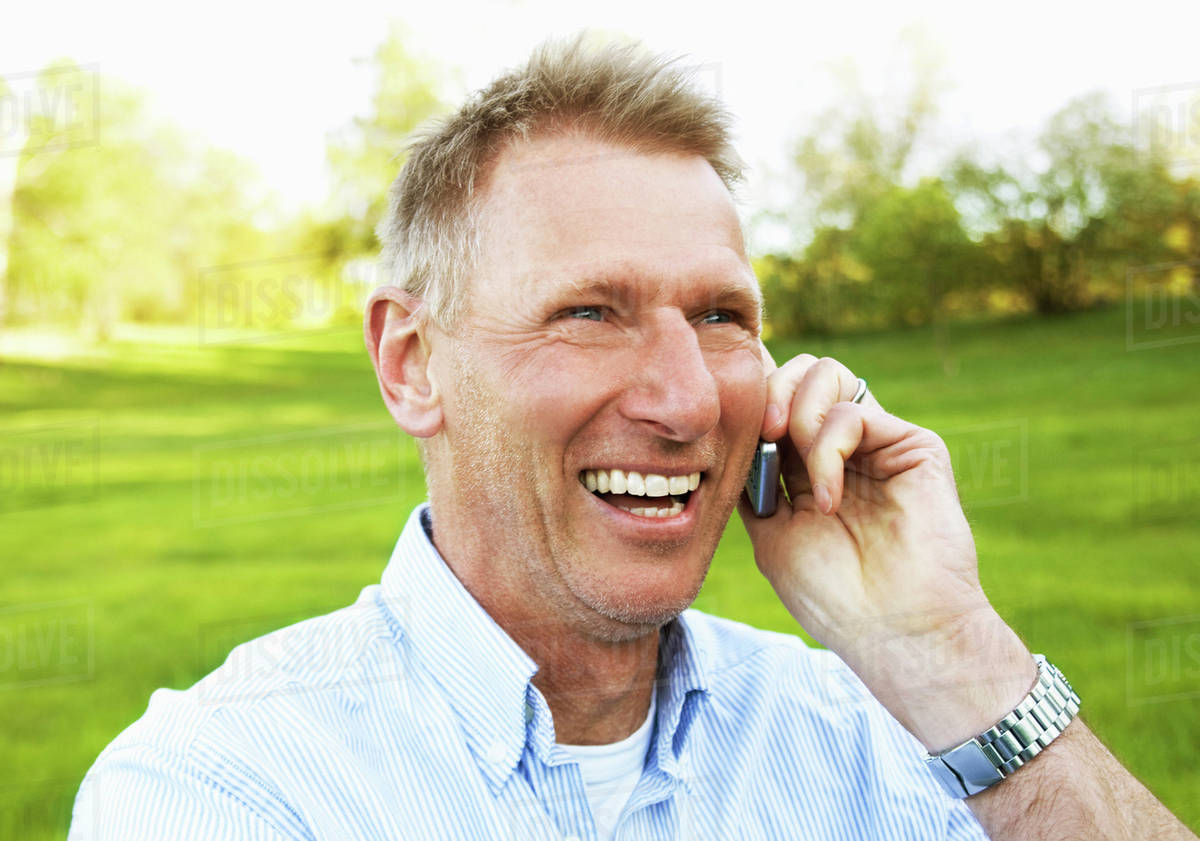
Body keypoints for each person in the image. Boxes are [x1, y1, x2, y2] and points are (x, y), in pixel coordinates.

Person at [70, 37, 1195, 841]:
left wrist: (953, 655)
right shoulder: (222, 788)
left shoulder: (874, 733)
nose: (687, 402)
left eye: (721, 317)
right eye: (590, 312)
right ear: (412, 363)